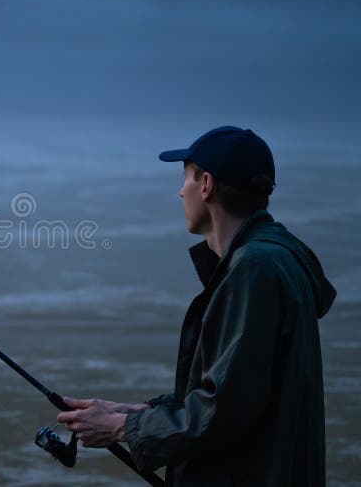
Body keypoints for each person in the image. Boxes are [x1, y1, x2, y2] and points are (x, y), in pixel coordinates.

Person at [58, 126, 336, 486]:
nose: (180, 191)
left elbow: (226, 411)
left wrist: (121, 429)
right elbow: (240, 392)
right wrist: (139, 412)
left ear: (206, 185)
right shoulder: (272, 260)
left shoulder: (255, 269)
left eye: (185, 177)